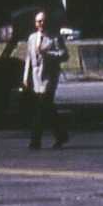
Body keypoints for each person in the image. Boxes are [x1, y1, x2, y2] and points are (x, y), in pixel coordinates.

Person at [21, 11, 69, 149]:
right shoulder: (31, 38)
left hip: (49, 77)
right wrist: (25, 77)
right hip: (36, 78)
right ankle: (61, 135)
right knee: (48, 108)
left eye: (43, 21)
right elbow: (29, 58)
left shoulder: (54, 38)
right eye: (38, 21)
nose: (41, 24)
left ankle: (35, 141)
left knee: (40, 108)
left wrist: (48, 54)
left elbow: (64, 55)